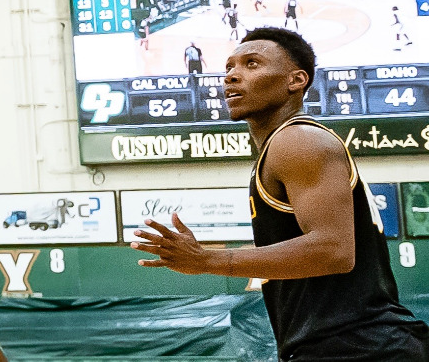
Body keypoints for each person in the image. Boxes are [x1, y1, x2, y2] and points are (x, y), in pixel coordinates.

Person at [132, 26, 429, 360]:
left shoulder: (298, 141)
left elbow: (333, 250)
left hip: (361, 346)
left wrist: (207, 260)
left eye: (251, 64)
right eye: (229, 67)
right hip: (350, 344)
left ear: (296, 80)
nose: (231, 76)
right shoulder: (285, 146)